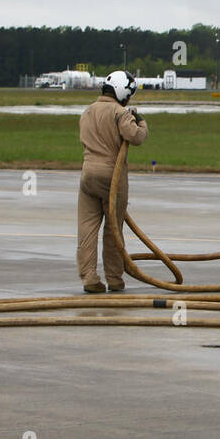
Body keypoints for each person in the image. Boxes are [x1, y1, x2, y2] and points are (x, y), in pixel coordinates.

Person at [77, 71, 148, 292]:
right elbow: (136, 137)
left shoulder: (87, 111)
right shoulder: (120, 113)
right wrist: (142, 122)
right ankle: (114, 279)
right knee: (113, 230)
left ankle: (89, 276)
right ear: (123, 92)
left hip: (87, 175)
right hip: (112, 177)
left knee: (86, 229)